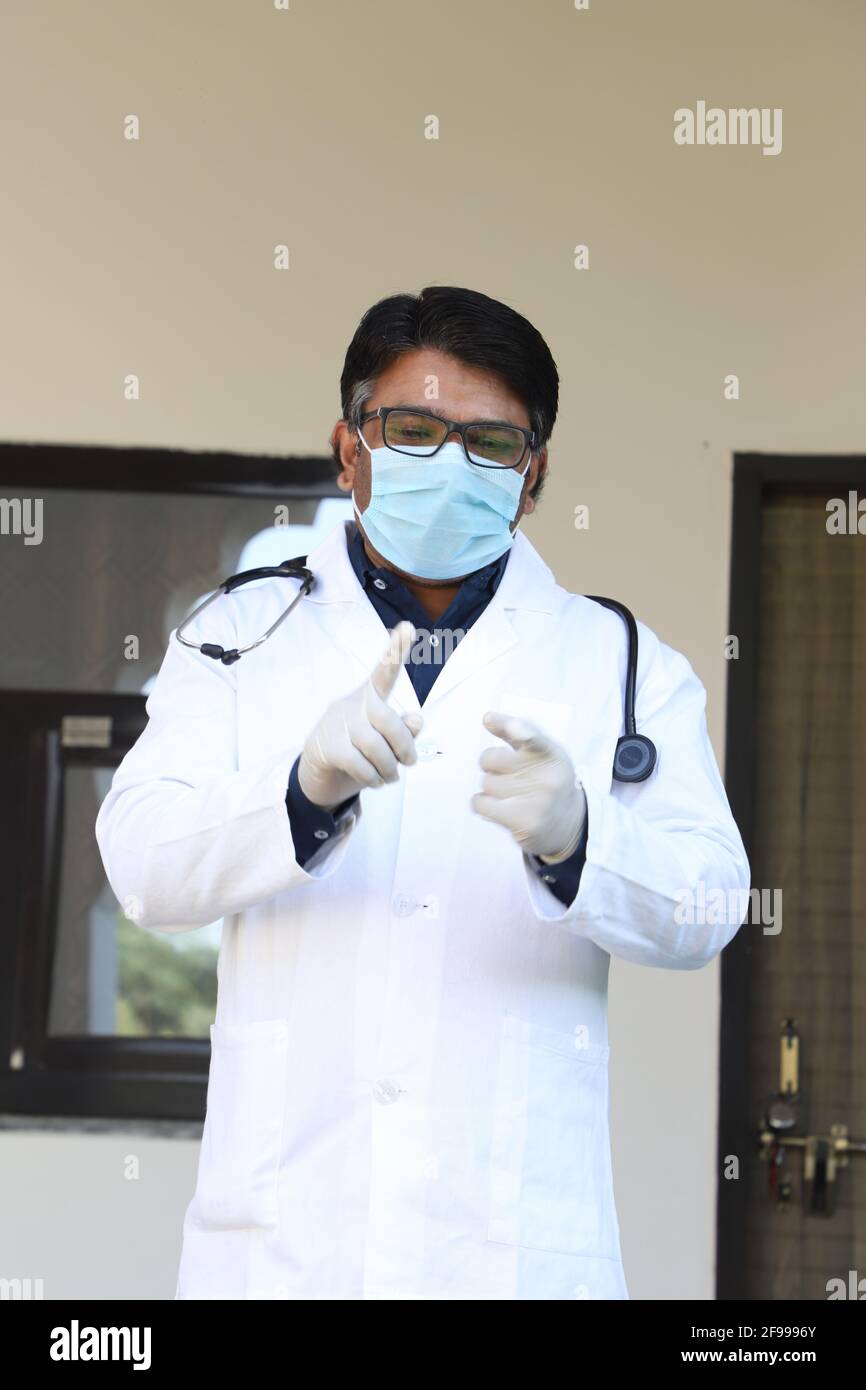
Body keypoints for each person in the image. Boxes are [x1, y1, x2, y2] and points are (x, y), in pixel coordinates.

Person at [95, 285, 750, 1300]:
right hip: (279, 1246)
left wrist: (580, 840)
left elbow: (710, 905)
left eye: (490, 442)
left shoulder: (621, 663)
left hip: (510, 1246)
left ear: (533, 478)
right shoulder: (238, 637)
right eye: (411, 428)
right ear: (349, 447)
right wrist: (297, 797)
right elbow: (139, 866)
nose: (448, 462)